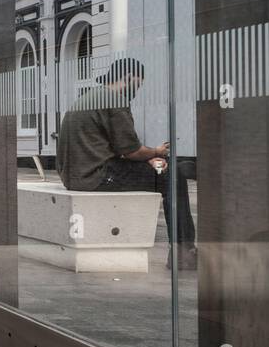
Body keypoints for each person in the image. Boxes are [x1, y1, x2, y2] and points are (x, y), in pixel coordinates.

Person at [57, 57, 197, 269]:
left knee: (161, 167)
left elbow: (116, 149)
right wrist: (156, 152)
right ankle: (184, 253)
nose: (137, 90)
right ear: (128, 77)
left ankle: (167, 165)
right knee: (172, 178)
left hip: (77, 174)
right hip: (98, 175)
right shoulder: (115, 99)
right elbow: (131, 151)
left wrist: (149, 158)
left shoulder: (90, 97)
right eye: (138, 84)